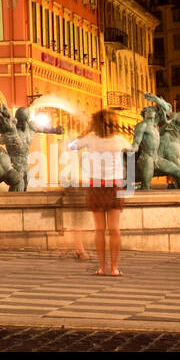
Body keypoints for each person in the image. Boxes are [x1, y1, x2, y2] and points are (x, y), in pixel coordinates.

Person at [67, 109, 132, 276]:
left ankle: (102, 268)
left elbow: (71, 147)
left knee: (99, 230)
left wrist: (86, 131)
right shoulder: (119, 140)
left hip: (96, 186)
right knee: (115, 229)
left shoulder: (90, 139)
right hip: (115, 187)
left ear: (95, 123)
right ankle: (114, 268)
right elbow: (131, 149)